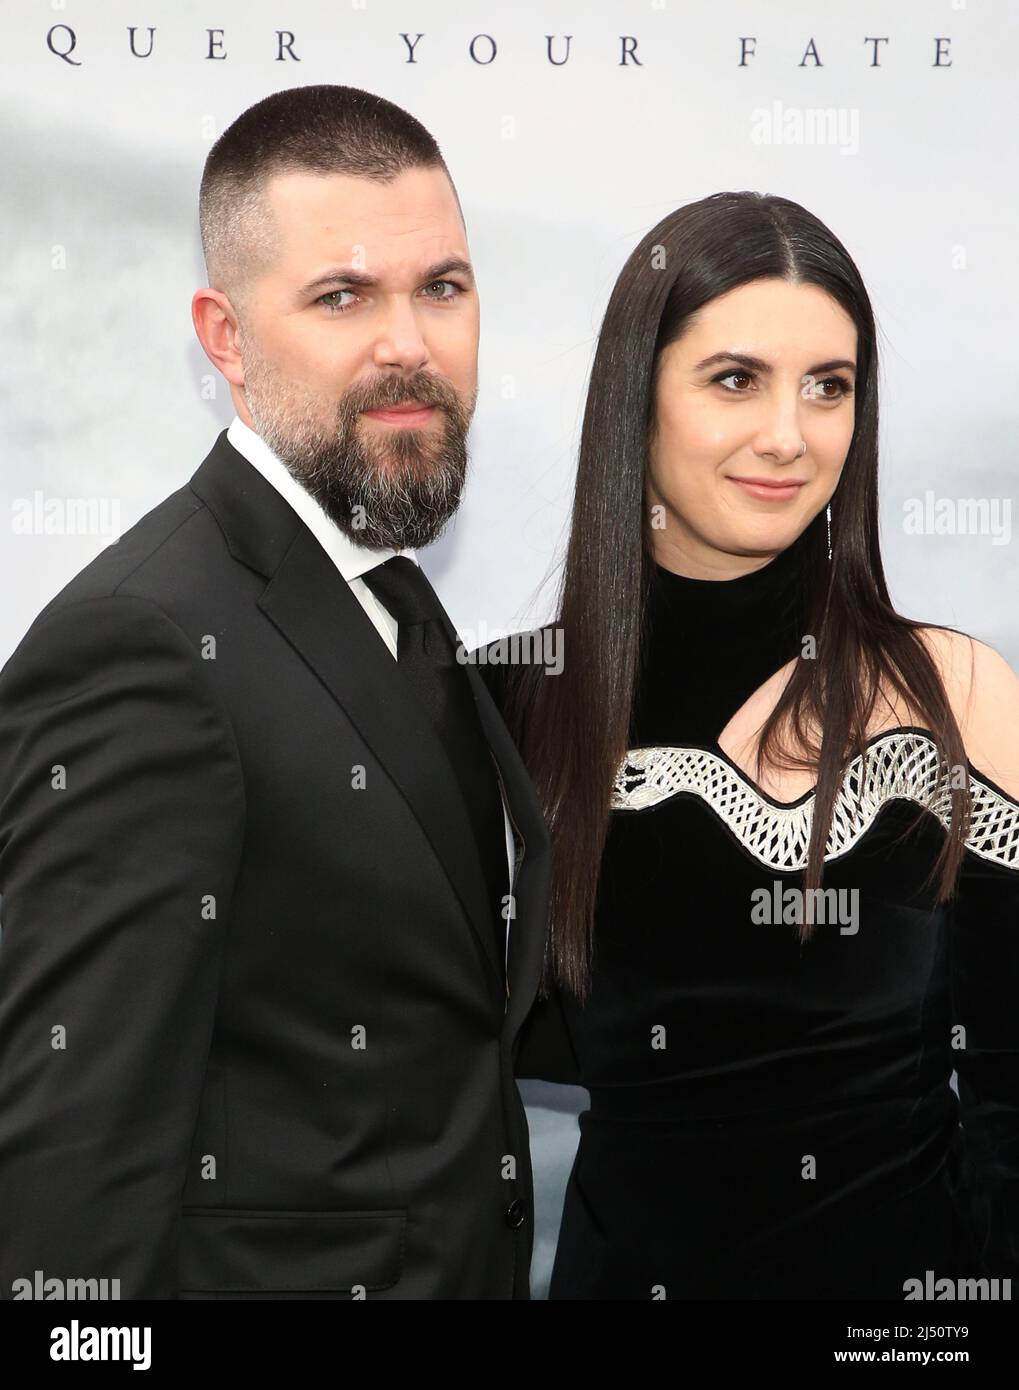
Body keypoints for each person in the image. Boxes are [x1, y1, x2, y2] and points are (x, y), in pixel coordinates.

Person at [0, 84, 550, 1300]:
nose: (408, 342)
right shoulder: (139, 647)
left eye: (441, 287)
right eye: (342, 296)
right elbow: (66, 1181)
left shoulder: (392, 597)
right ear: (226, 334)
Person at [476, 191, 1019, 1299]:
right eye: (735, 379)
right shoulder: (510, 702)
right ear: (638, 400)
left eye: (829, 386)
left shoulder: (956, 692)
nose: (788, 432)